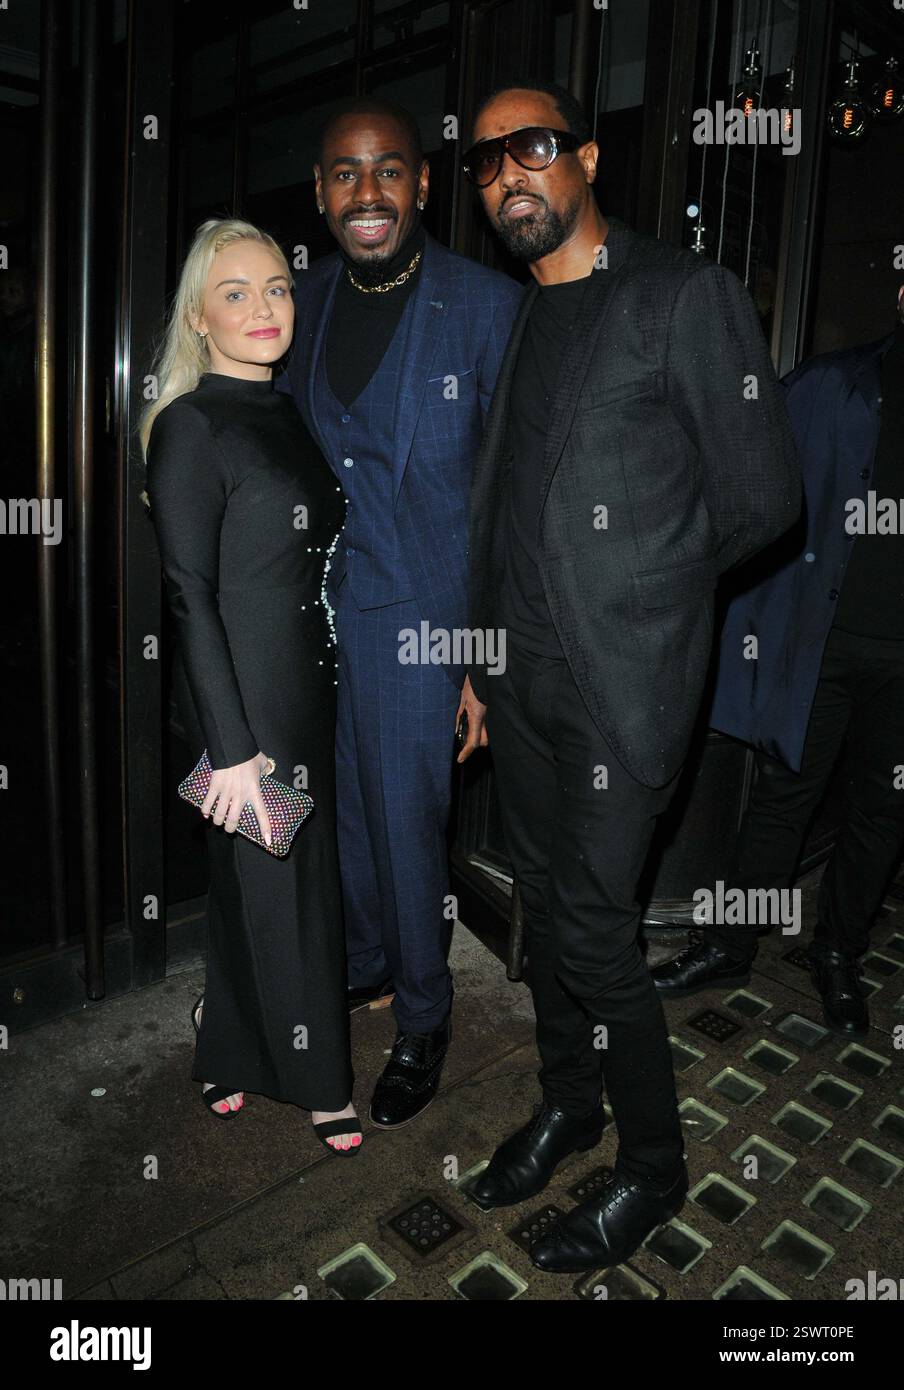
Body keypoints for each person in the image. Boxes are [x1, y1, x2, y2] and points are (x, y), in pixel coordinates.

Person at [463, 80, 800, 1272]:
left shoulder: (682, 294)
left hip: (625, 688)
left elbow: (767, 498)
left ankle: (655, 1169)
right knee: (548, 911)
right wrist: (476, 663)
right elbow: (502, 509)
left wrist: (646, 592)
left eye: (533, 148)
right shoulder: (520, 317)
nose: (510, 173)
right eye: (490, 158)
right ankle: (569, 1105)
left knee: (600, 933)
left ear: (587, 157)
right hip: (522, 688)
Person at [276, 98, 523, 1129]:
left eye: (387, 170)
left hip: (421, 620)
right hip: (313, 619)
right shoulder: (304, 301)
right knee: (339, 818)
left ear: (422, 183)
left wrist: (477, 662)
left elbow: (507, 499)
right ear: (321, 194)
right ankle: (370, 961)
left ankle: (424, 1015)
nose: (366, 192)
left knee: (409, 828)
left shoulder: (484, 306)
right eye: (344, 173)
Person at [143, 218, 362, 1154]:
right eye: (236, 292)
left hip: (309, 688)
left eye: (277, 287)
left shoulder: (286, 408)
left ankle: (224, 1038)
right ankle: (319, 1078)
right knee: (282, 889)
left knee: (258, 886)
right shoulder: (190, 426)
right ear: (200, 316)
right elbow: (188, 593)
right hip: (243, 702)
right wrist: (230, 746)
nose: (265, 307)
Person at [655, 287, 904, 1039]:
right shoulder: (833, 385)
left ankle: (838, 956)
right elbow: (751, 481)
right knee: (781, 804)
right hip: (821, 644)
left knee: (882, 813)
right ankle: (729, 944)